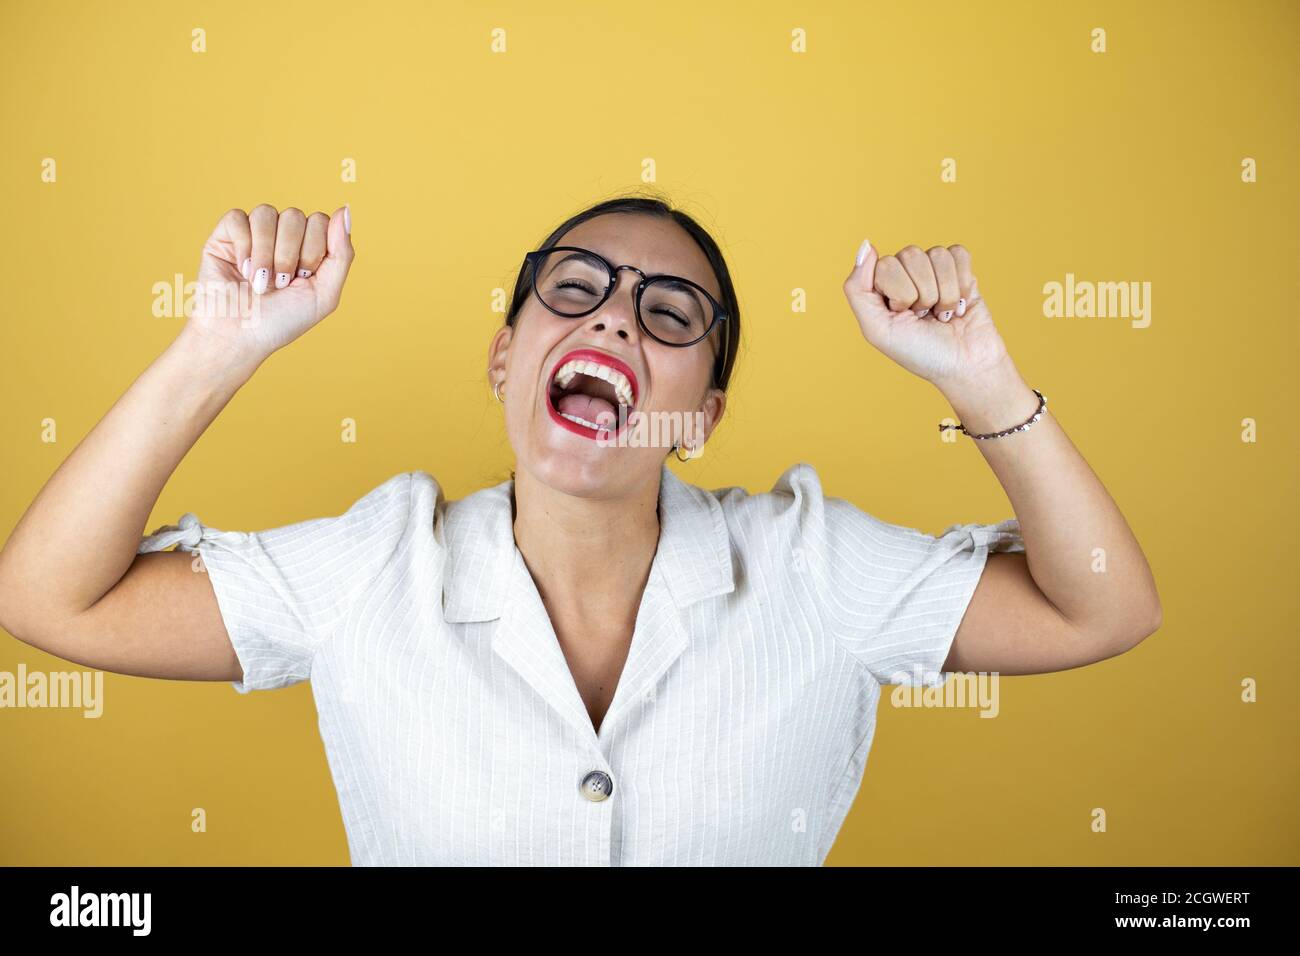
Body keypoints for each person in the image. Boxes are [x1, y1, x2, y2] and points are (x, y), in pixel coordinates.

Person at [0, 193, 1162, 865]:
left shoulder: (815, 566)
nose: (614, 311)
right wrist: (218, 345)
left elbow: (1103, 603)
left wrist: (980, 373)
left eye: (667, 312)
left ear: (700, 415)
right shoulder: (373, 566)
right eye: (574, 288)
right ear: (506, 359)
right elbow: (48, 596)